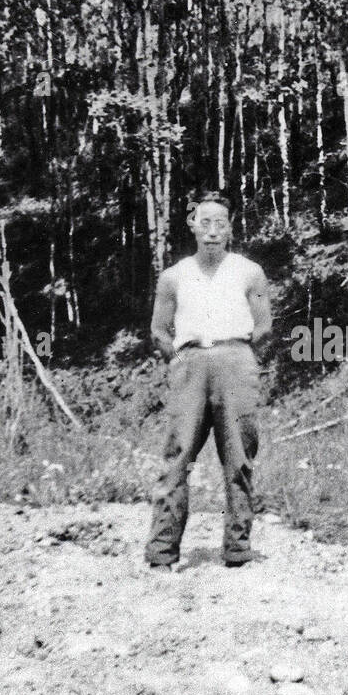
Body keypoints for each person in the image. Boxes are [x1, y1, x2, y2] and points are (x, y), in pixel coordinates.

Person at [144, 192, 272, 569]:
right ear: (193, 226)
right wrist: (185, 360)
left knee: (239, 458)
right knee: (177, 456)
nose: (212, 232)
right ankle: (162, 553)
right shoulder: (174, 276)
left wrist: (240, 357)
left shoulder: (249, 271)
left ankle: (237, 549)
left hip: (236, 363)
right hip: (190, 364)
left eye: (220, 224)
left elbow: (263, 326)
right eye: (205, 223)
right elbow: (158, 331)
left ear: (230, 228)